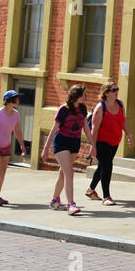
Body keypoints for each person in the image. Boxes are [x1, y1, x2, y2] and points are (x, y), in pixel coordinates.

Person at [43, 85, 93, 215]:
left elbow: (86, 129)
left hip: (74, 143)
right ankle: (71, 204)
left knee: (63, 173)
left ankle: (54, 201)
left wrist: (93, 145)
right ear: (76, 95)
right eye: (83, 94)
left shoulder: (82, 108)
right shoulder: (63, 109)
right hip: (61, 142)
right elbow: (53, 130)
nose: (85, 96)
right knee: (69, 172)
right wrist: (45, 149)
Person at [85, 81, 133, 206]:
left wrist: (129, 135)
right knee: (107, 166)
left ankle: (91, 190)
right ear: (106, 93)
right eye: (113, 90)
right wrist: (93, 146)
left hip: (115, 140)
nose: (116, 92)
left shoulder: (120, 104)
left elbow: (123, 121)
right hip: (102, 141)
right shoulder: (100, 107)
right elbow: (94, 129)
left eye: (117, 89)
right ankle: (106, 196)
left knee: (102, 166)